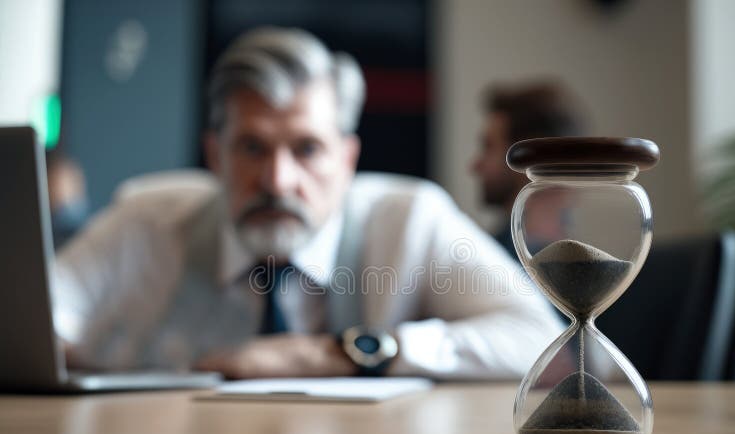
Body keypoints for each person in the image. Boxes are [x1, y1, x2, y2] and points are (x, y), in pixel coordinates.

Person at [52, 27, 562, 380]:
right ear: (215, 155)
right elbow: (41, 320)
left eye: (307, 149)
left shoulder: (410, 220)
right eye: (252, 148)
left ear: (347, 159)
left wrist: (338, 354)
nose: (277, 179)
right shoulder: (148, 220)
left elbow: (543, 340)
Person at [471, 81, 587, 256]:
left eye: (489, 147)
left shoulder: (594, 267)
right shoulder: (482, 262)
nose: (474, 166)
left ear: (532, 159)